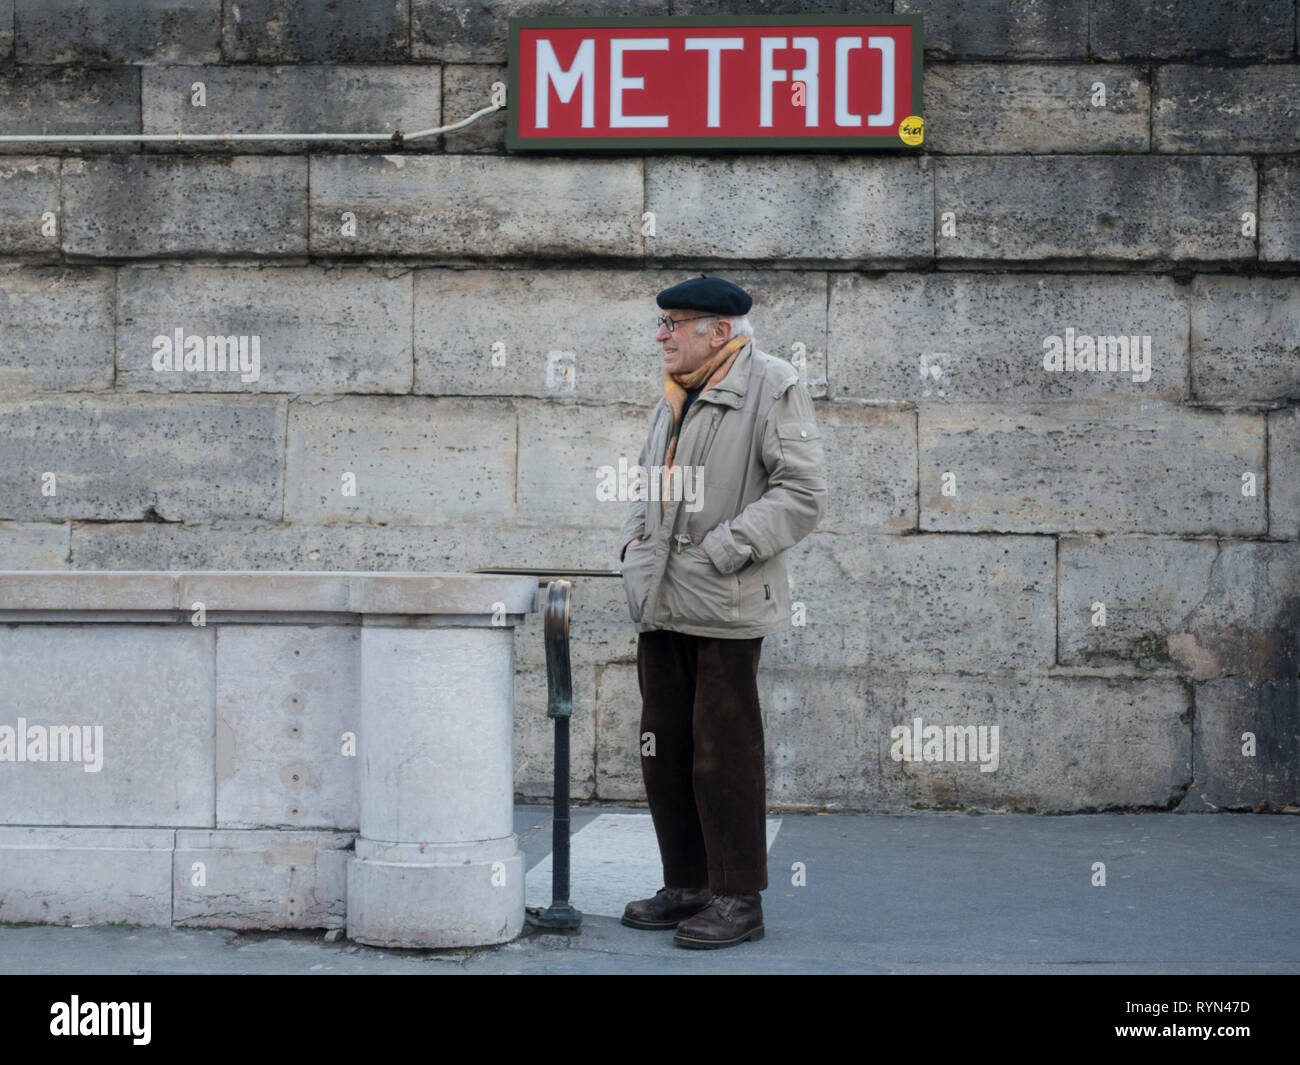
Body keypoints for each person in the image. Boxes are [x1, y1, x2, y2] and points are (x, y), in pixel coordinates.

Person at [617, 275, 827, 948]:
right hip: (662, 601)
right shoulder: (677, 392)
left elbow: (803, 493)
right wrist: (633, 549)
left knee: (723, 755)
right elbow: (650, 484)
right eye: (663, 323)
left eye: (674, 322)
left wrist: (724, 548)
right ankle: (688, 885)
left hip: (725, 598)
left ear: (720, 330)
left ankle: (739, 897)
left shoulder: (772, 384)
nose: (662, 334)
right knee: (665, 750)